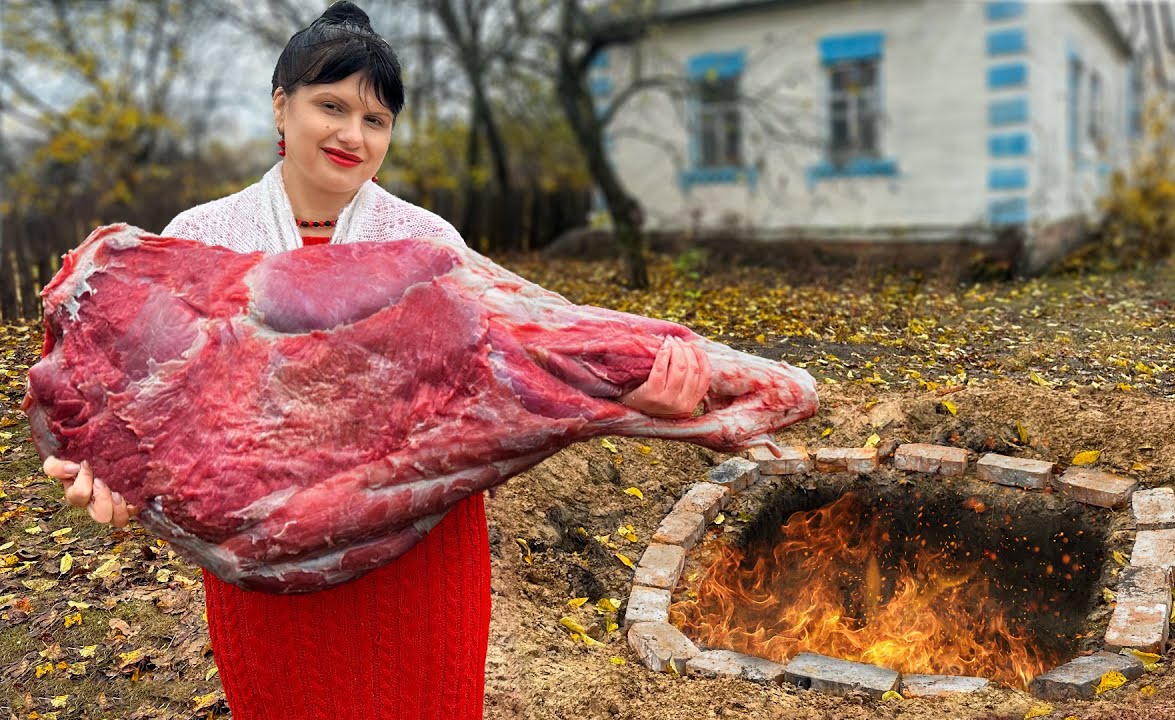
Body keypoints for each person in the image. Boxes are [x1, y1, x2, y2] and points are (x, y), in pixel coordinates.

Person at [40, 3, 711, 718]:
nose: (352, 135)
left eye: (376, 119)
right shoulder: (198, 240)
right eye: (331, 106)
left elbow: (516, 388)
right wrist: (123, 486)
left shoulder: (428, 242)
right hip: (273, 573)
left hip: (421, 563)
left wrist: (630, 404)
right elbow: (153, 414)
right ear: (280, 106)